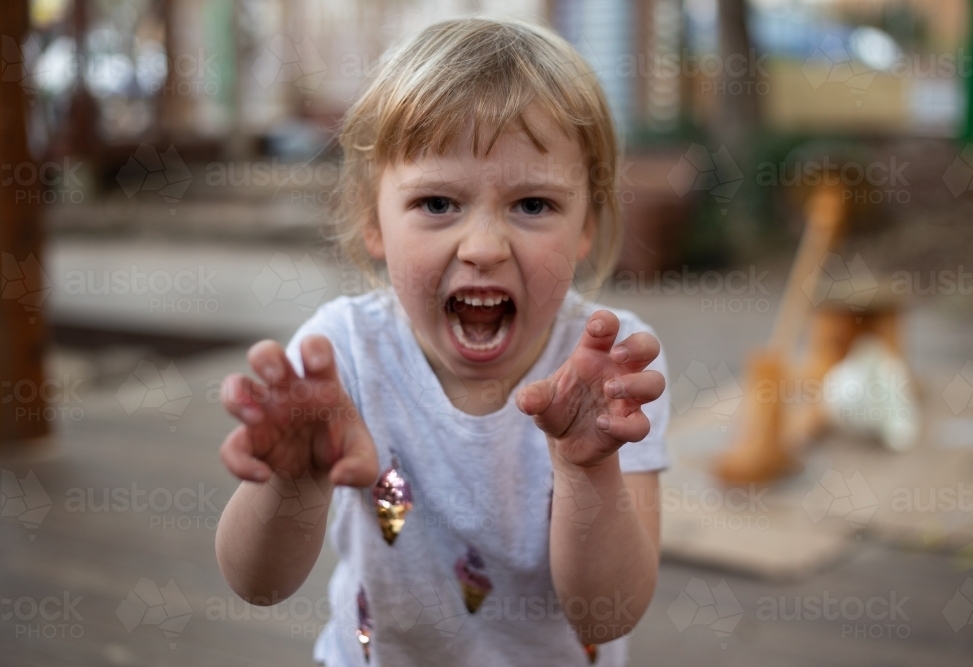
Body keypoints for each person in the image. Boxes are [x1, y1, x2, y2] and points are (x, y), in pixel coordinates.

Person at [215, 16, 670, 667]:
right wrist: (291, 480)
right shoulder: (340, 353)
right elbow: (258, 584)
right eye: (436, 203)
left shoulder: (612, 368)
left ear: (588, 225)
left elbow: (607, 612)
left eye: (533, 204)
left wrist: (587, 467)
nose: (483, 246)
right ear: (374, 221)